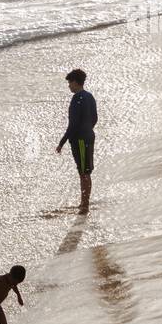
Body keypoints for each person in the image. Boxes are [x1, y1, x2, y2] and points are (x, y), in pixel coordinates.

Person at [54, 68, 97, 215]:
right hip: (88, 136)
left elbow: (73, 124)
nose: (69, 86)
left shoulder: (77, 99)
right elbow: (94, 118)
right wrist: (87, 130)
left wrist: (62, 142)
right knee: (85, 171)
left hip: (80, 139)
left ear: (75, 82)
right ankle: (84, 203)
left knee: (84, 172)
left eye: (70, 83)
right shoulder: (90, 97)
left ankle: (84, 205)